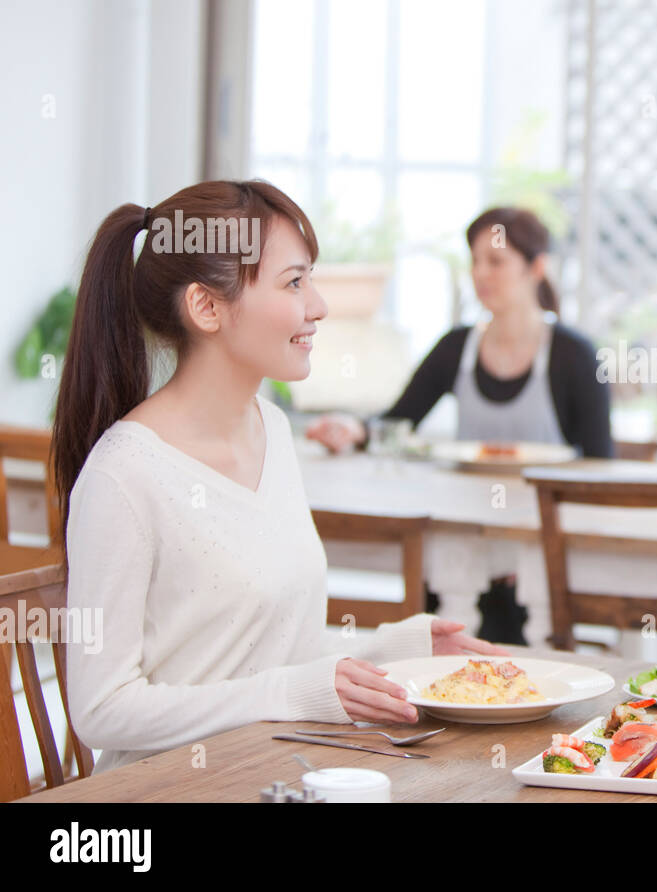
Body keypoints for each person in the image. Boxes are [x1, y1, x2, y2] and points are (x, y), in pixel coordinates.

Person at [52, 180, 507, 774]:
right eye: (294, 282)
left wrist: (396, 650)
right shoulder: (125, 475)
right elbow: (102, 710)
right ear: (206, 307)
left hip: (276, 775)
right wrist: (292, 694)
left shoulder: (272, 430)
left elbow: (273, 658)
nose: (317, 305)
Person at [306, 207, 613, 459]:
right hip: (466, 521)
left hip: (550, 527)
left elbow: (601, 467)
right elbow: (399, 422)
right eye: (475, 261)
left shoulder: (575, 355)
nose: (480, 273)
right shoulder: (456, 347)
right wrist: (353, 428)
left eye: (495, 261)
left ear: (536, 268)